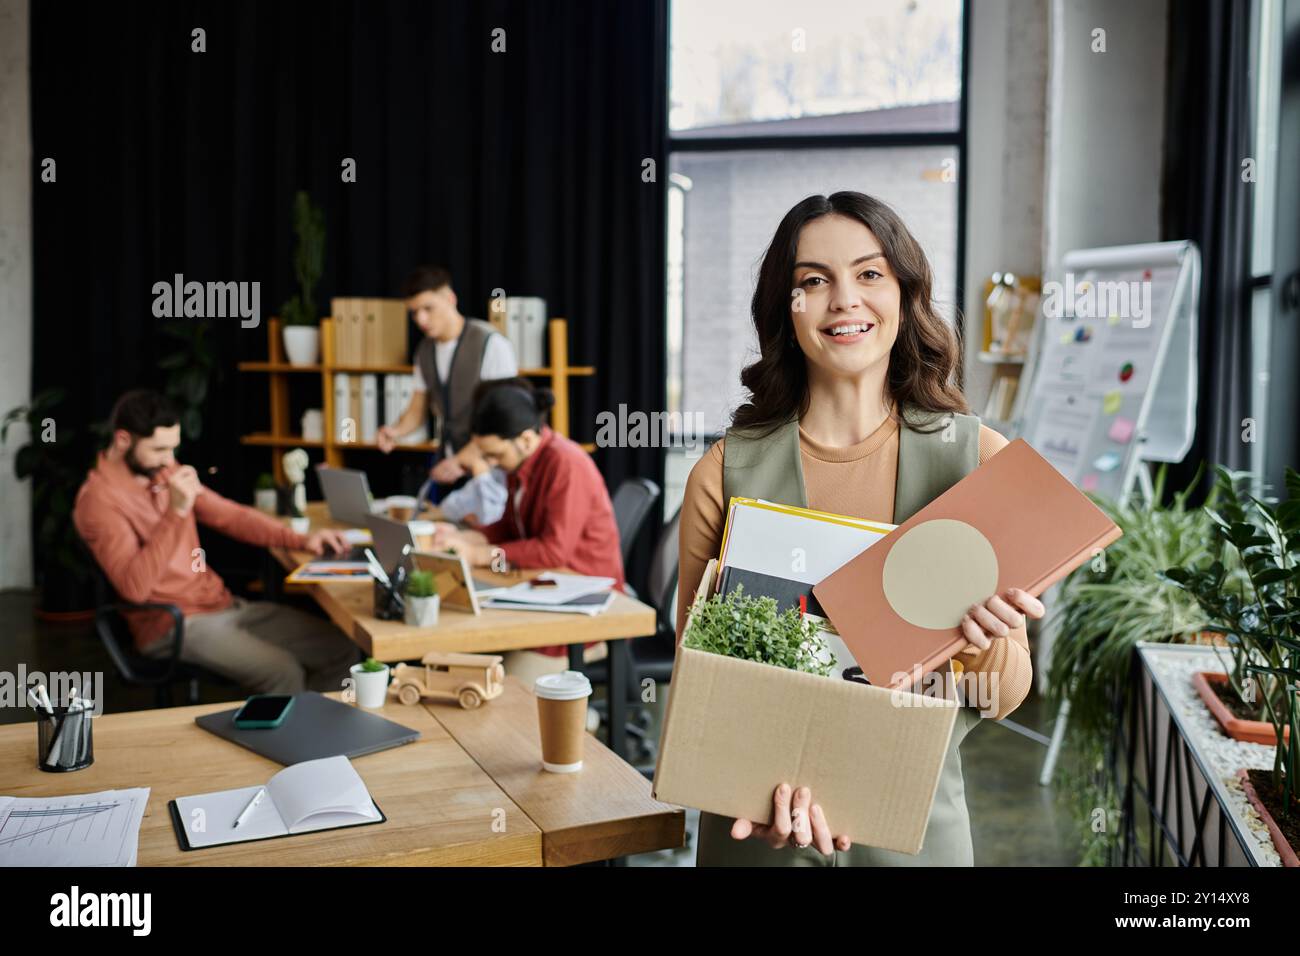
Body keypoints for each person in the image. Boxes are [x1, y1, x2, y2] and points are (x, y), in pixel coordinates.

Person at [676, 191, 1046, 866]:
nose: (844, 298)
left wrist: (987, 638)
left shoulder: (977, 460)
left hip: (917, 835)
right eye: (812, 281)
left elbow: (1004, 696)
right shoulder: (724, 473)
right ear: (785, 311)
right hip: (756, 837)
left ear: (905, 296)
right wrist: (748, 788)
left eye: (870, 274)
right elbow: (702, 690)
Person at [73, 389, 360, 695]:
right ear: (122, 440)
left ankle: (312, 732)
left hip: (223, 605)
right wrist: (176, 511)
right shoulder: (98, 502)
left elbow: (231, 517)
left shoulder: (160, 469)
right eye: (159, 449)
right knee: (282, 672)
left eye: (173, 449)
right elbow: (135, 587)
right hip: (173, 625)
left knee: (342, 649)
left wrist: (303, 539)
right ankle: (291, 738)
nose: (170, 461)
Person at [432, 378, 621, 686]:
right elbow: (508, 526)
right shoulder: (519, 466)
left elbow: (553, 551)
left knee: (499, 687)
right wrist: (464, 539)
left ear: (527, 440)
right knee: (464, 663)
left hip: (582, 609)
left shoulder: (566, 464)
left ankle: (578, 722)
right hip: (542, 594)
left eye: (494, 455)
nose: (490, 464)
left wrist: (479, 555)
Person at [376, 265, 515, 525]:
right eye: (414, 312)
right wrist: (395, 431)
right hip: (449, 467)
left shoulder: (491, 344)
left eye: (428, 308)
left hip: (488, 471)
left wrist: (462, 460)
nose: (421, 319)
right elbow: (417, 410)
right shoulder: (424, 352)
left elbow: (502, 420)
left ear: (450, 299)